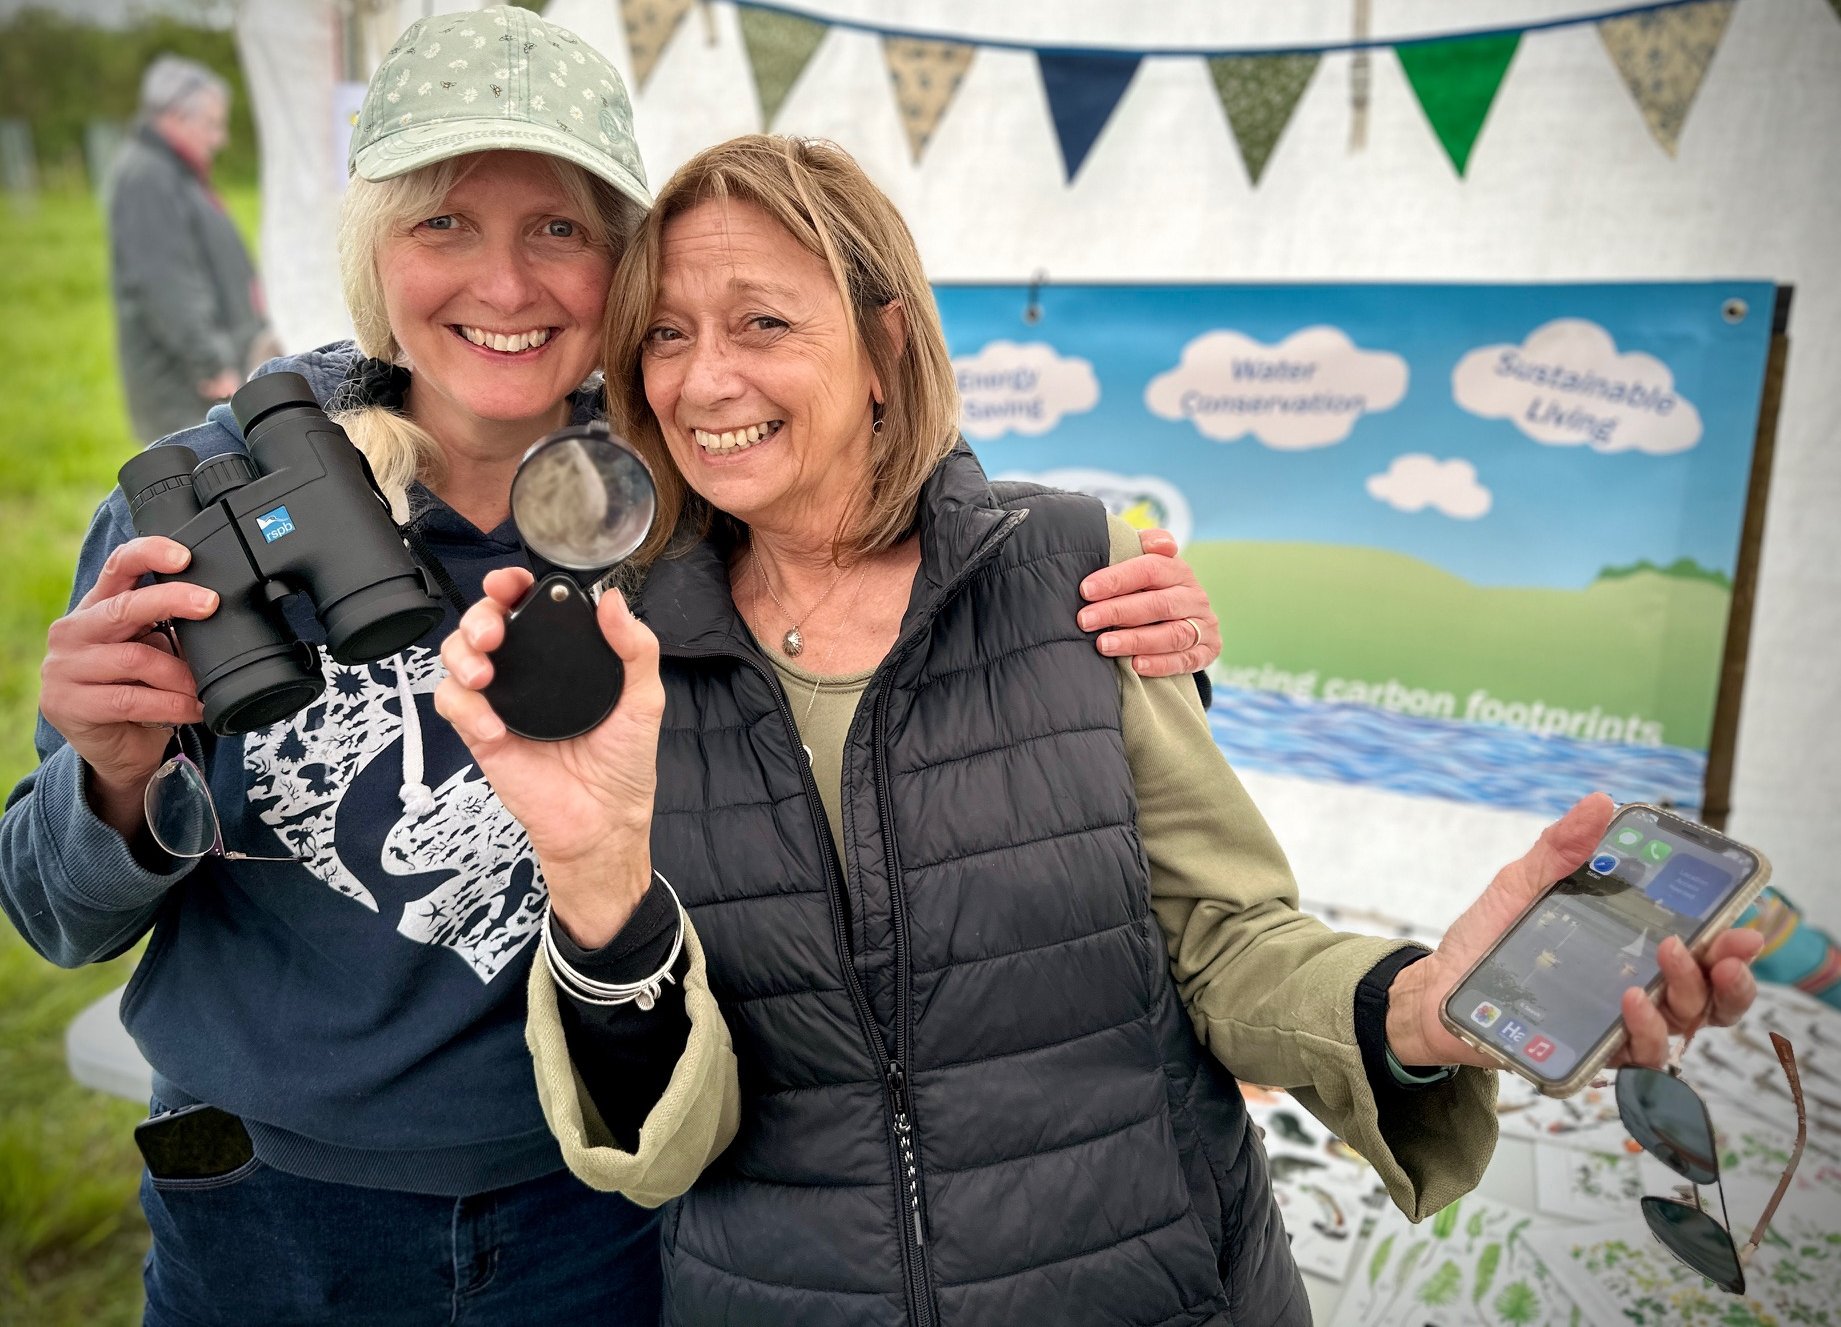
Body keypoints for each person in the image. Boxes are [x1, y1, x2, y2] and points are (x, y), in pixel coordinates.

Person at [1, 11, 1223, 1324]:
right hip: (268, 1204)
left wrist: (1089, 591)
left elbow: (883, 488)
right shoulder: (211, 507)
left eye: (561, 230)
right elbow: (58, 915)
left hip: (603, 1199)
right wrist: (115, 786)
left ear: (622, 265)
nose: (508, 286)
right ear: (370, 246)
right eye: (443, 223)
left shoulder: (681, 492)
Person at [434, 135, 1768, 1326]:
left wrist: (1420, 1002)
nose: (704, 377)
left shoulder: (1076, 572)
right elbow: (668, 1143)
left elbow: (1221, 941)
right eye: (664, 334)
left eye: (763, 320)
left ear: (887, 344)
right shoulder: (619, 656)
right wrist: (596, 879)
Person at [107, 54, 276, 443]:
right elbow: (166, 285)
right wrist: (211, 364)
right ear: (176, 117)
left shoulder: (171, 172)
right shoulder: (148, 177)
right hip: (187, 389)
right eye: (212, 125)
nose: (220, 139)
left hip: (202, 381)